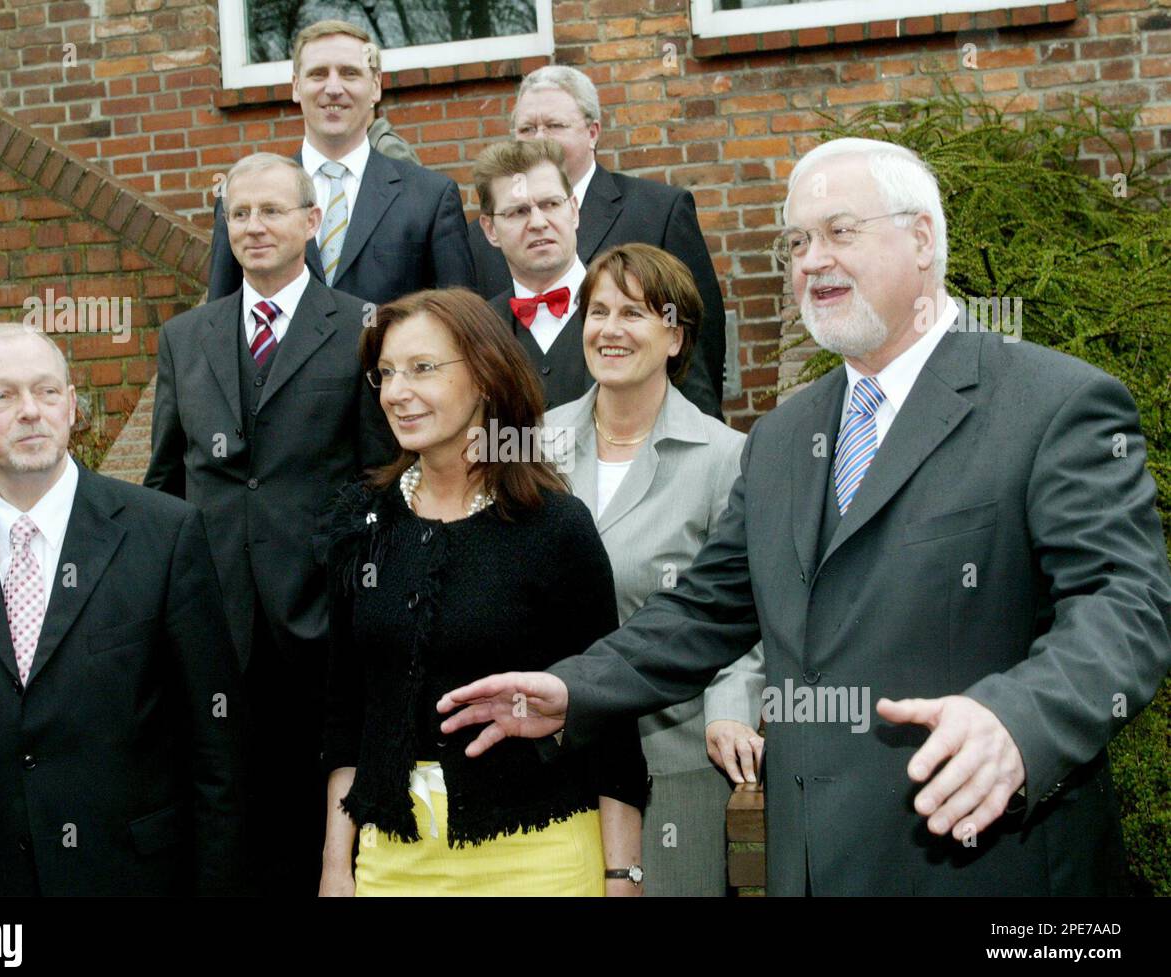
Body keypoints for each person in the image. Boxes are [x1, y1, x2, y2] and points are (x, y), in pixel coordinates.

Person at [438, 138, 1171, 895]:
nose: (811, 260)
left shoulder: (1053, 404)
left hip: (992, 869)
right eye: (796, 241)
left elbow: (1127, 606)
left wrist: (1020, 723)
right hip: (811, 869)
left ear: (921, 238)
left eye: (839, 232)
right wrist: (575, 689)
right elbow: (705, 610)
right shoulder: (785, 436)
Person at [0, 324, 249, 896]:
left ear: (72, 405)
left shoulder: (165, 536)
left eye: (47, 391)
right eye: (2, 396)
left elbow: (216, 754)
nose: (30, 411)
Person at [319, 288, 648, 896]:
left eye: (422, 369)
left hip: (539, 856)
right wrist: (337, 869)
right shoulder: (361, 523)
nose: (396, 391)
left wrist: (621, 875)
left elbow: (609, 716)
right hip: (392, 863)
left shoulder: (554, 527)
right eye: (386, 373)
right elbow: (347, 715)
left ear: (486, 377)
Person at [145, 151, 394, 895]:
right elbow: (164, 482)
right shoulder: (185, 337)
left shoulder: (360, 327)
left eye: (272, 210)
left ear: (312, 222)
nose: (253, 226)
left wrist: (353, 589)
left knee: (311, 825)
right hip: (211, 624)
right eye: (240, 213)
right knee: (221, 823)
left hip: (319, 623)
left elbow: (381, 480)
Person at [544, 243, 765, 896]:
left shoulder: (727, 457)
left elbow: (742, 608)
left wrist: (732, 708)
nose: (609, 329)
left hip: (673, 757)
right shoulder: (536, 443)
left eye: (633, 313)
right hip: (552, 756)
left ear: (675, 334)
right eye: (597, 311)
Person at [468, 65, 725, 418]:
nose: (540, 138)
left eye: (555, 126)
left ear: (592, 132)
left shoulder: (659, 210)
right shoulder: (478, 237)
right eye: (527, 129)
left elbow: (699, 345)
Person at [207, 20, 474, 303]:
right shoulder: (242, 197)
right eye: (318, 74)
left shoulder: (430, 198)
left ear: (375, 87)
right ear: (297, 87)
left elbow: (460, 325)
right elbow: (221, 320)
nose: (333, 88)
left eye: (349, 73)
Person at [474, 139, 591, 409]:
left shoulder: (635, 310)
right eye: (518, 212)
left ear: (573, 210)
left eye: (550, 204)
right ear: (490, 229)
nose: (538, 222)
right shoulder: (477, 332)